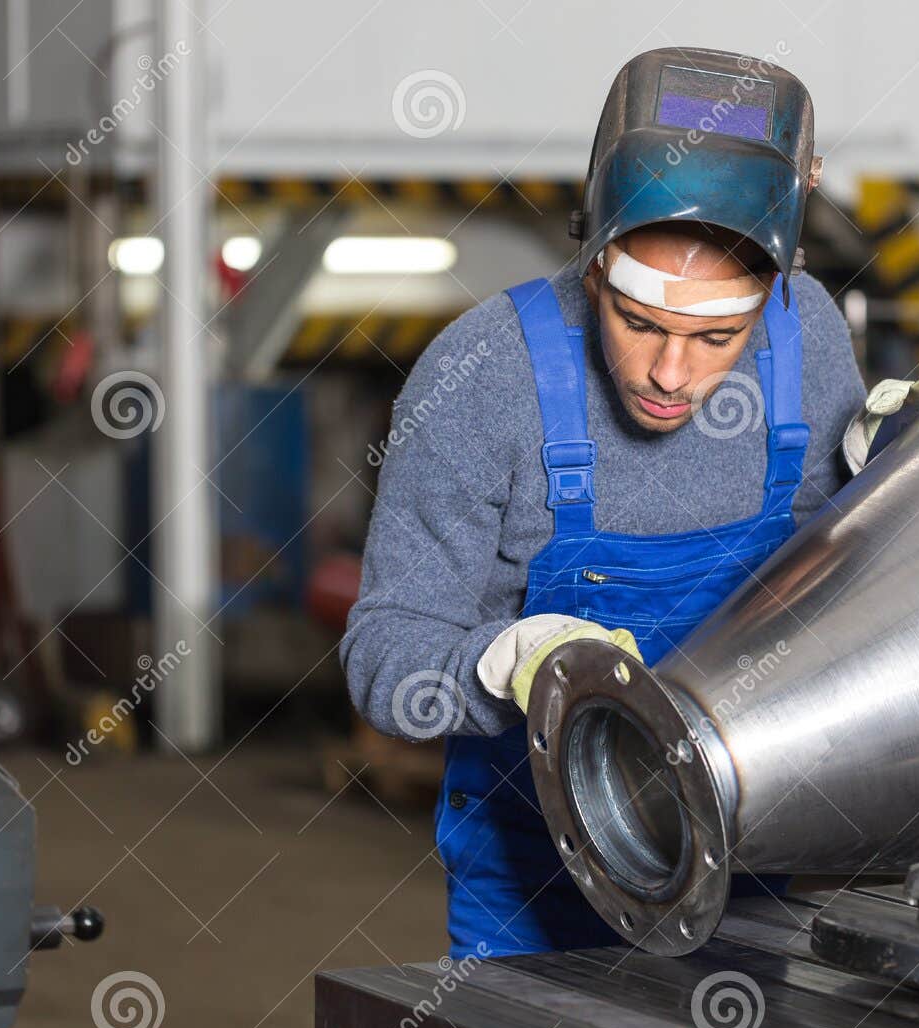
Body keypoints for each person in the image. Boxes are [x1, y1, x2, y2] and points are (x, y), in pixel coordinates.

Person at [341, 46, 867, 958]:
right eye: (640, 323)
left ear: (776, 294)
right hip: (532, 888)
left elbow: (830, 593)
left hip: (750, 864)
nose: (673, 374)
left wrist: (898, 478)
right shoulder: (483, 377)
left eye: (718, 336)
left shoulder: (808, 339)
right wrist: (500, 664)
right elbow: (383, 662)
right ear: (592, 265)